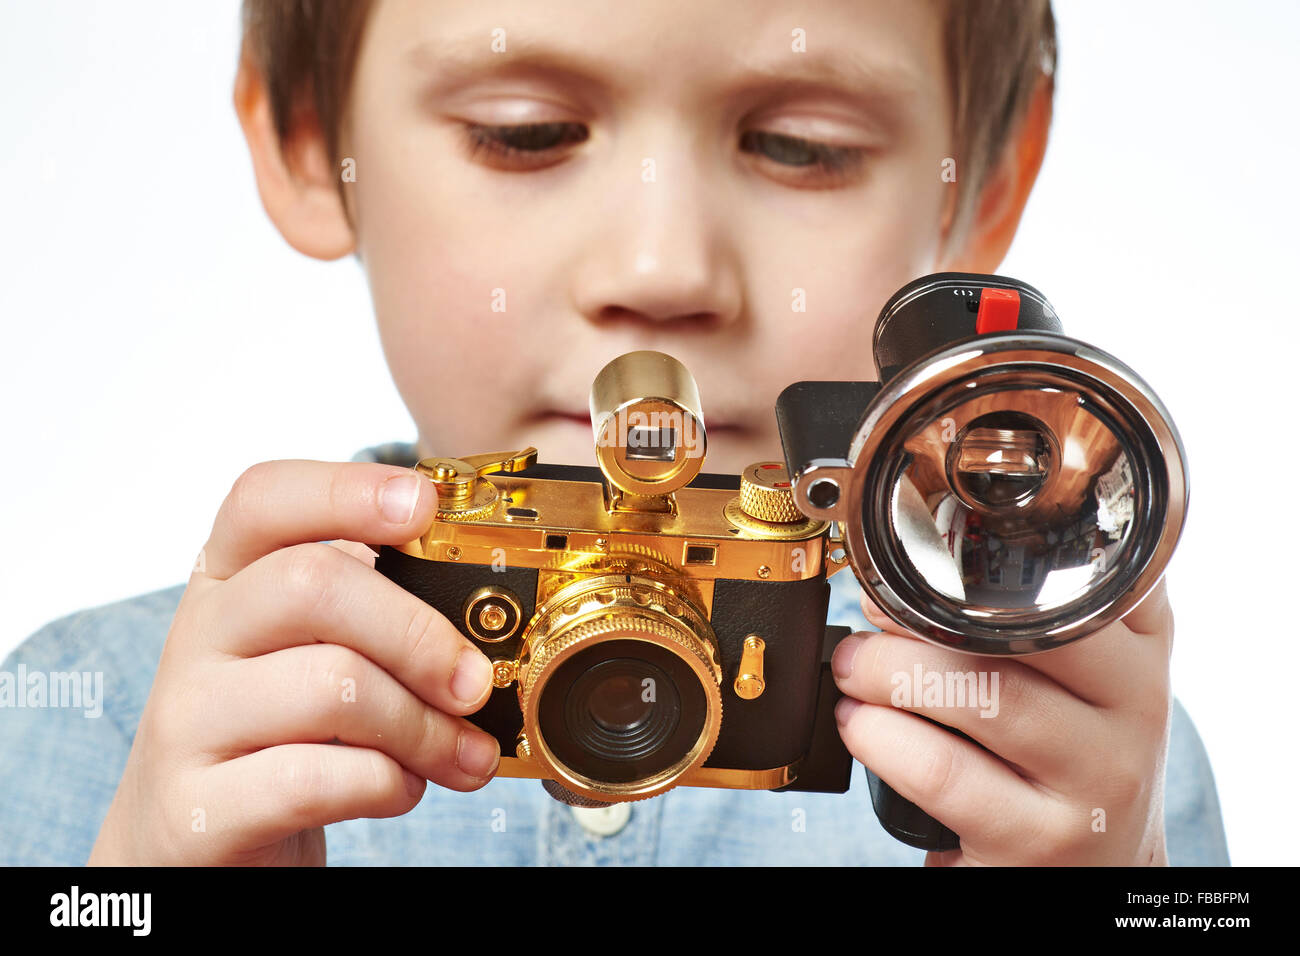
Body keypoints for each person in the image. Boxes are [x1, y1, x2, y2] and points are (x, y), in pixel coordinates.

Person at [0, 0, 1229, 866]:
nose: (660, 268)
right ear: (310, 138)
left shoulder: (1067, 754)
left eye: (801, 147)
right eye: (525, 130)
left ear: (987, 180)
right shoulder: (90, 716)